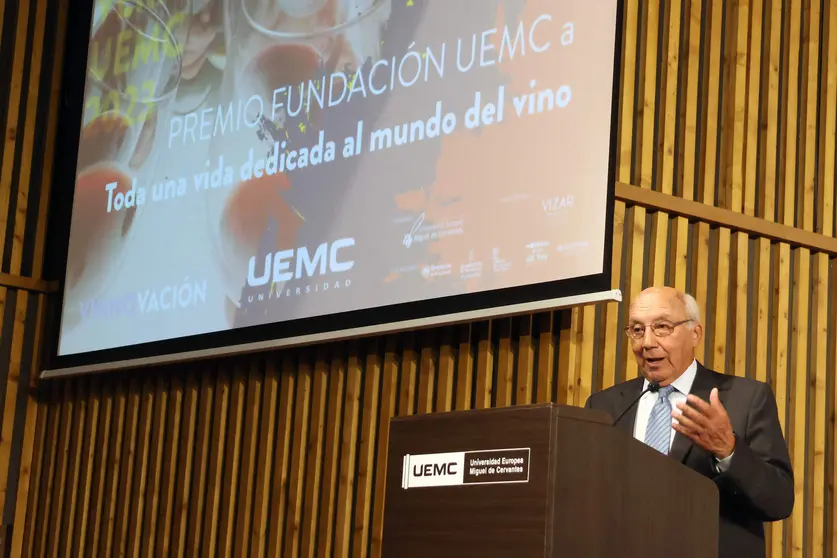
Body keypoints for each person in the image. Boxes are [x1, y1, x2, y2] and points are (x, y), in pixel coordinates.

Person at [585, 286, 794, 558]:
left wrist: (728, 450)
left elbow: (779, 501)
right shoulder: (606, 406)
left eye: (661, 326)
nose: (646, 342)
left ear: (695, 333)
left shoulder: (745, 399)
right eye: (637, 330)